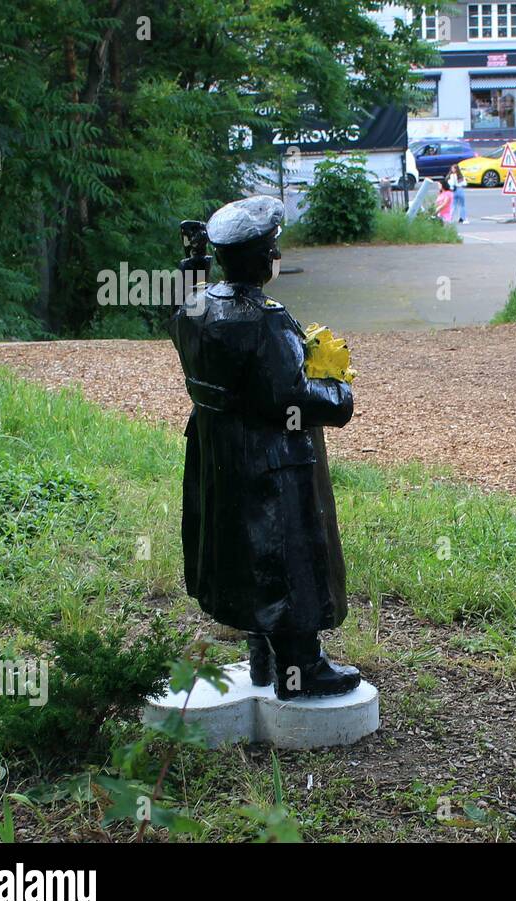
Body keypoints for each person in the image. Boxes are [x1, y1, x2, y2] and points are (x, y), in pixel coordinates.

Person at [168, 196, 361, 701]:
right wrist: (338, 395)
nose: (276, 256)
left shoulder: (194, 305)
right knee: (285, 554)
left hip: (218, 452)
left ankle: (262, 657)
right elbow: (288, 396)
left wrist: (194, 266)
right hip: (273, 460)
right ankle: (302, 668)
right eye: (271, 248)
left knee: (243, 552)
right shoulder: (265, 320)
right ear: (260, 259)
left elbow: (189, 313)